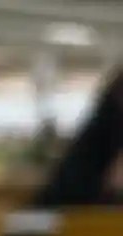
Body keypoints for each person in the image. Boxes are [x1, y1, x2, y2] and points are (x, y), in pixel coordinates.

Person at [35, 69, 123, 207]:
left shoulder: (105, 121)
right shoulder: (110, 125)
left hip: (66, 209)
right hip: (72, 213)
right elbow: (114, 182)